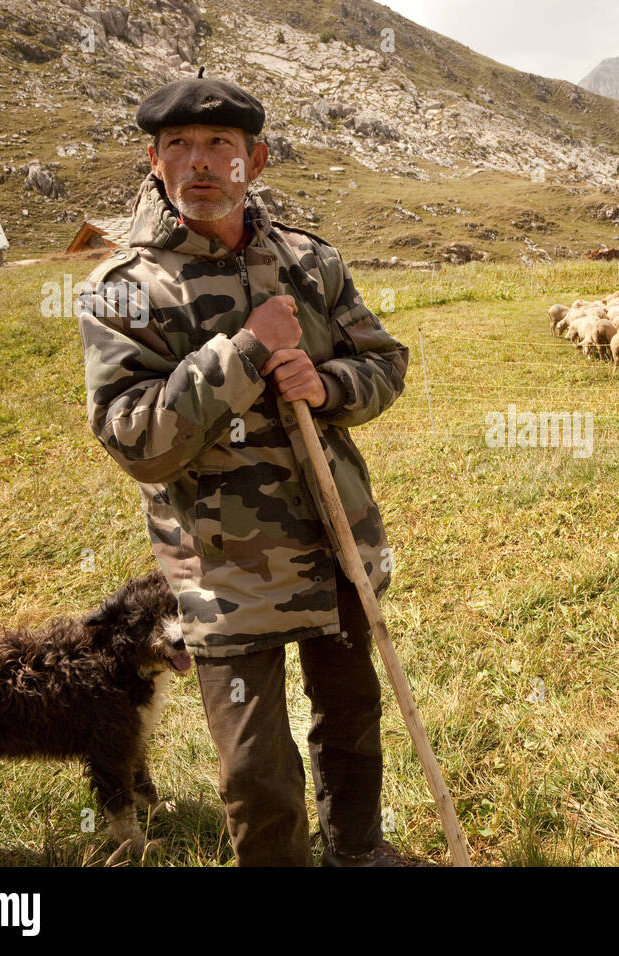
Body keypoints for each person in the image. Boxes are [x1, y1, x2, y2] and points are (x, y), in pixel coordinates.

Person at [76, 73, 413, 866]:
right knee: (255, 768)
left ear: (254, 161)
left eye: (219, 145)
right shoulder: (123, 292)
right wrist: (246, 349)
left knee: (353, 720)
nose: (198, 162)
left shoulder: (309, 262)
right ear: (154, 163)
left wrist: (328, 384)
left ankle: (358, 854)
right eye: (178, 146)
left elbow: (386, 365)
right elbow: (137, 438)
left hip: (335, 540)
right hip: (223, 566)